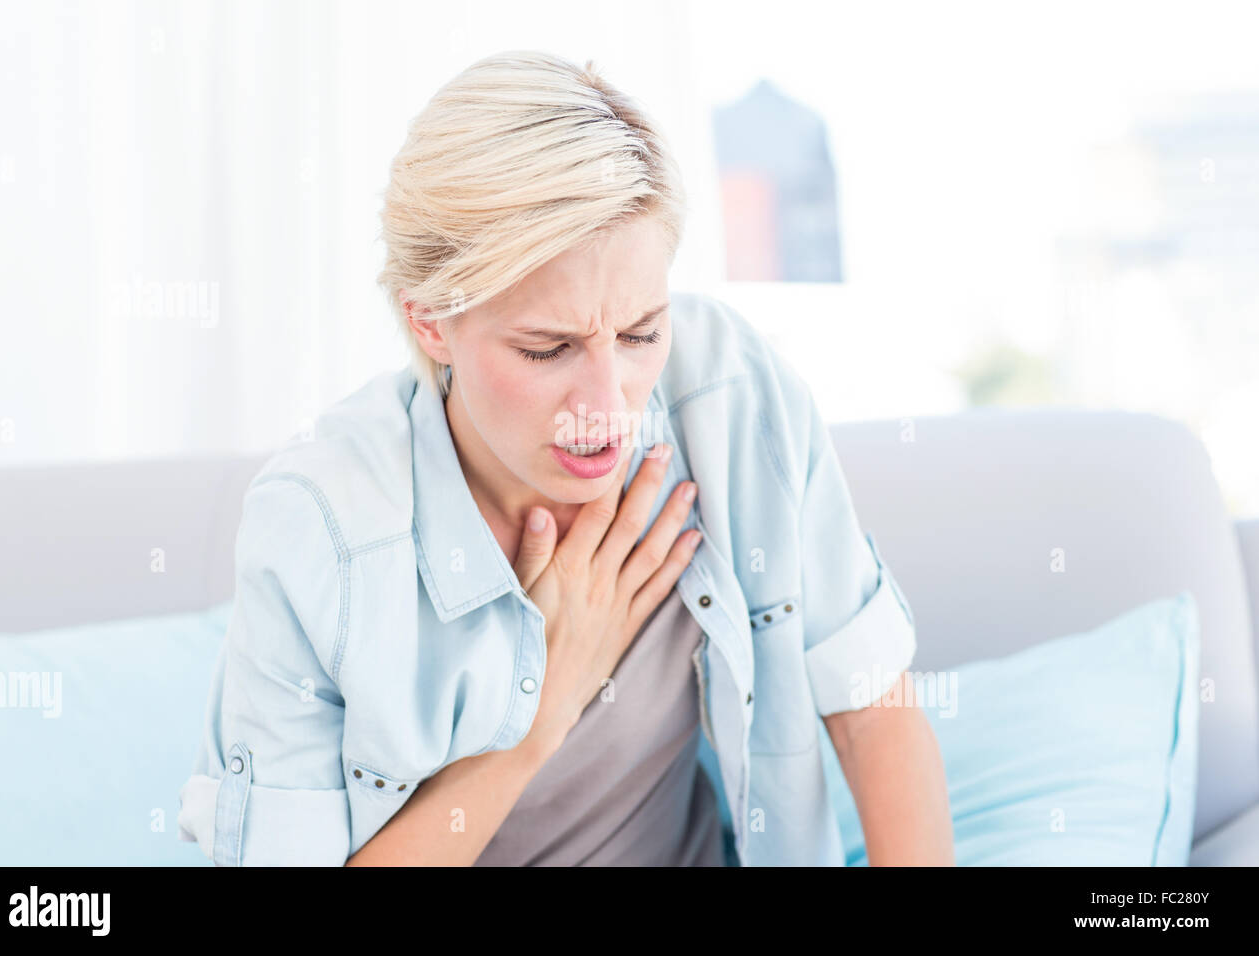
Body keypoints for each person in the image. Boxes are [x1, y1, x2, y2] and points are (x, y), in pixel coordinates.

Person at [177, 49, 954, 866]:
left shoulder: (730, 391)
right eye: (548, 349)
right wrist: (543, 704)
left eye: (641, 333)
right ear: (432, 322)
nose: (608, 408)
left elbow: (874, 714)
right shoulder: (317, 524)